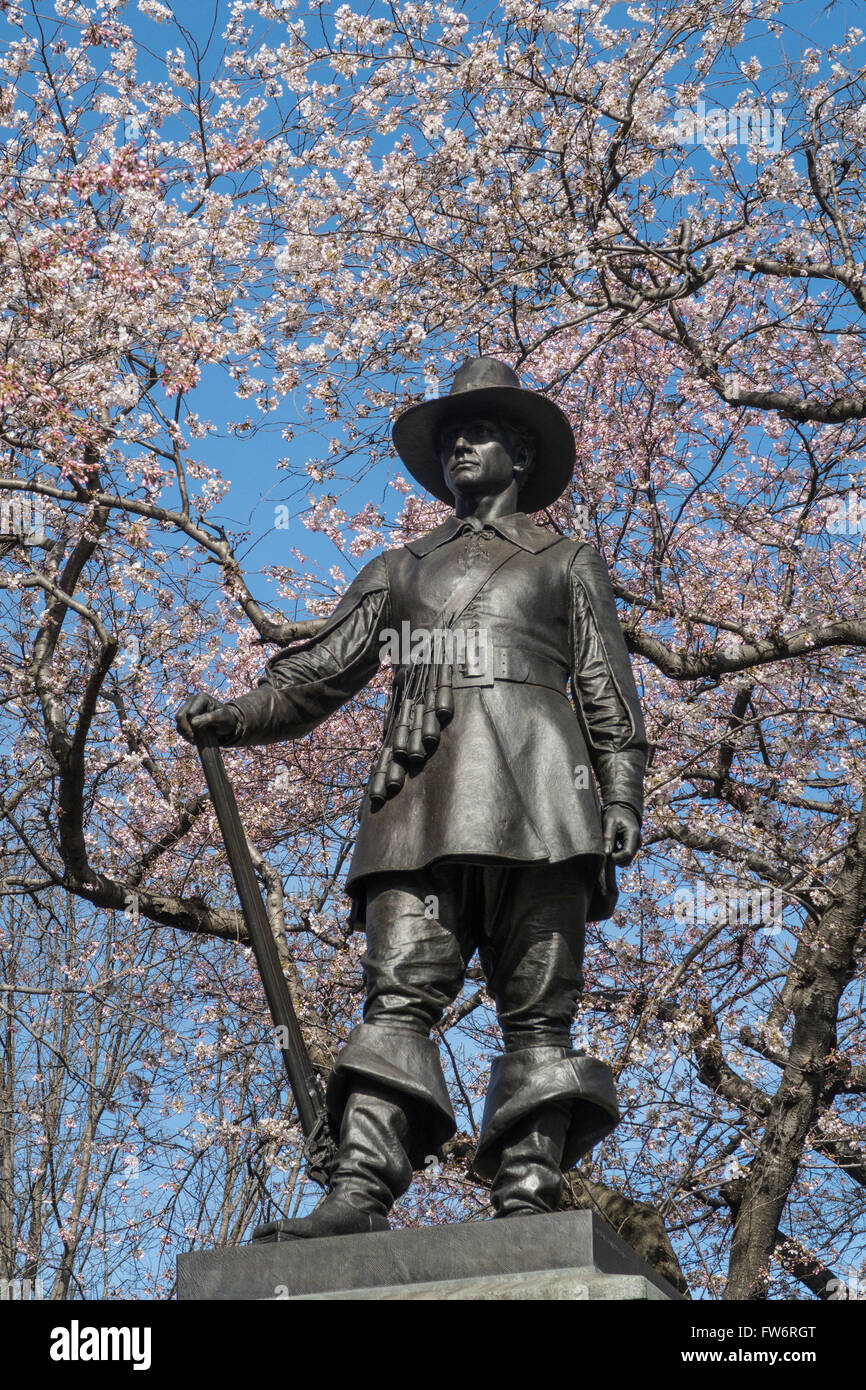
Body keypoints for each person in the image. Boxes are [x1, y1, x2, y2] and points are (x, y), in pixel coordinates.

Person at [176, 357, 647, 1240]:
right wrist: (234, 716)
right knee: (397, 996)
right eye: (449, 438)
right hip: (422, 796)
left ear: (518, 451)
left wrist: (619, 792)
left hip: (547, 794)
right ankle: (359, 1191)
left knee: (540, 1007)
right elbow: (319, 672)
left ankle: (529, 1195)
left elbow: (608, 692)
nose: (460, 447)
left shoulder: (567, 562)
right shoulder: (401, 569)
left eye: (477, 433)